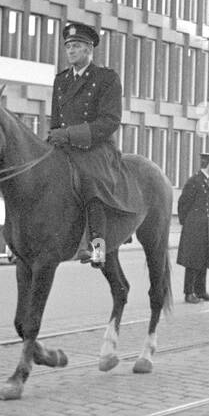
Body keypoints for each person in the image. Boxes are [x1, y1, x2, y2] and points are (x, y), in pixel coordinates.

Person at [45, 22, 140, 268]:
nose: (71, 51)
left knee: (90, 179)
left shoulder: (106, 78)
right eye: (68, 47)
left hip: (96, 147)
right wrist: (54, 137)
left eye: (76, 46)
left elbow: (110, 121)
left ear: (89, 49)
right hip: (65, 146)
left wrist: (69, 134)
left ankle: (97, 247)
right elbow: (56, 121)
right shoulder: (61, 80)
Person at [177, 153, 209, 303]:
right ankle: (189, 293)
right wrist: (187, 223)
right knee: (192, 260)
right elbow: (183, 204)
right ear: (207, 164)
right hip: (194, 227)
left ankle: (201, 291)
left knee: (203, 259)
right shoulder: (194, 181)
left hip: (204, 226)